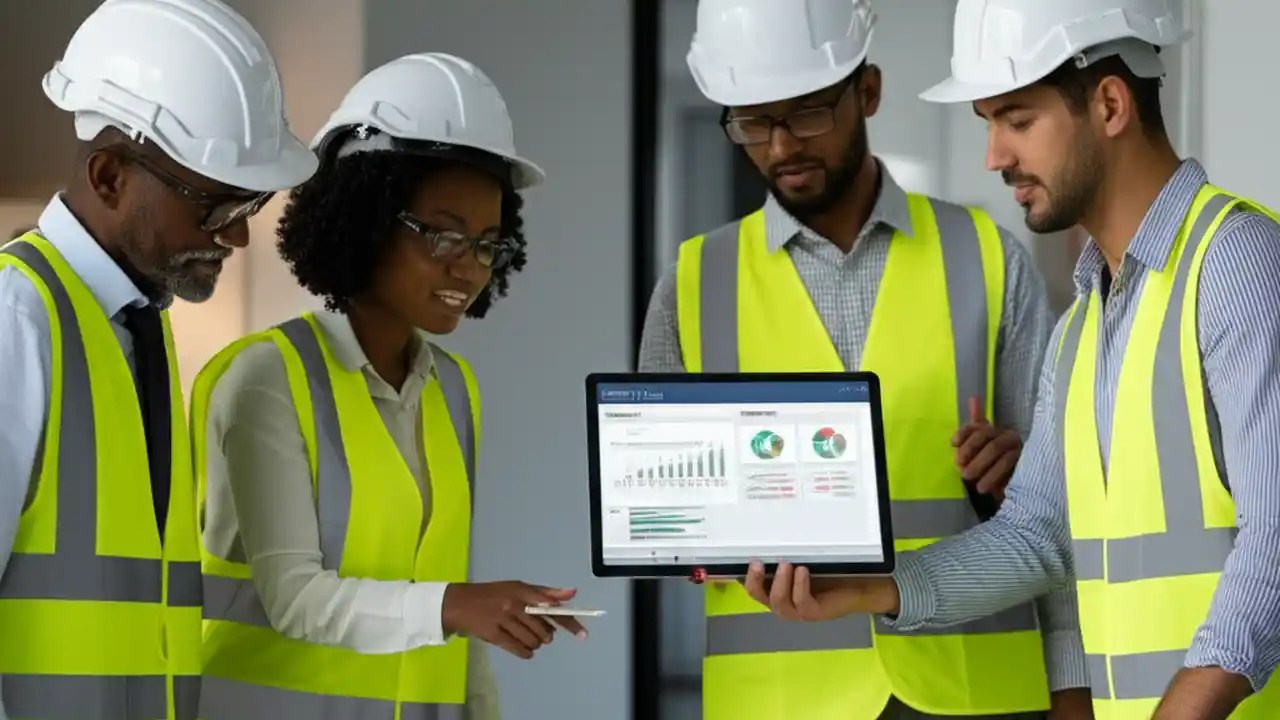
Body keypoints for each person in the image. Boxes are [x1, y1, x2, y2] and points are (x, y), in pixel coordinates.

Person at [744, 1, 1280, 718]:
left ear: (1110, 104)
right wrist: (875, 588)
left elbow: (1275, 535)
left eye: (1017, 121)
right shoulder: (1084, 324)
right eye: (988, 124)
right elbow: (1038, 534)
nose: (994, 157)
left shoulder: (1237, 261)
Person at [638, 0, 1070, 718]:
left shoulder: (985, 256)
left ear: (867, 91)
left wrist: (1072, 685)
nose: (781, 147)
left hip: (971, 688)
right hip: (779, 702)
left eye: (807, 115)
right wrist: (692, 535)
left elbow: (1057, 513)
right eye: (753, 124)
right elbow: (665, 515)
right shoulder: (693, 284)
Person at [191, 52, 588, 719]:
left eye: (487, 243)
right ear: (363, 218)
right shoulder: (268, 380)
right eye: (443, 236)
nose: (469, 267)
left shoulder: (453, 389)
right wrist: (457, 605)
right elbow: (296, 598)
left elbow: (453, 608)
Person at [0, 1, 315, 718]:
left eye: (248, 207)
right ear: (109, 176)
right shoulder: (17, 319)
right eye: (214, 206)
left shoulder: (137, 328)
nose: (237, 238)